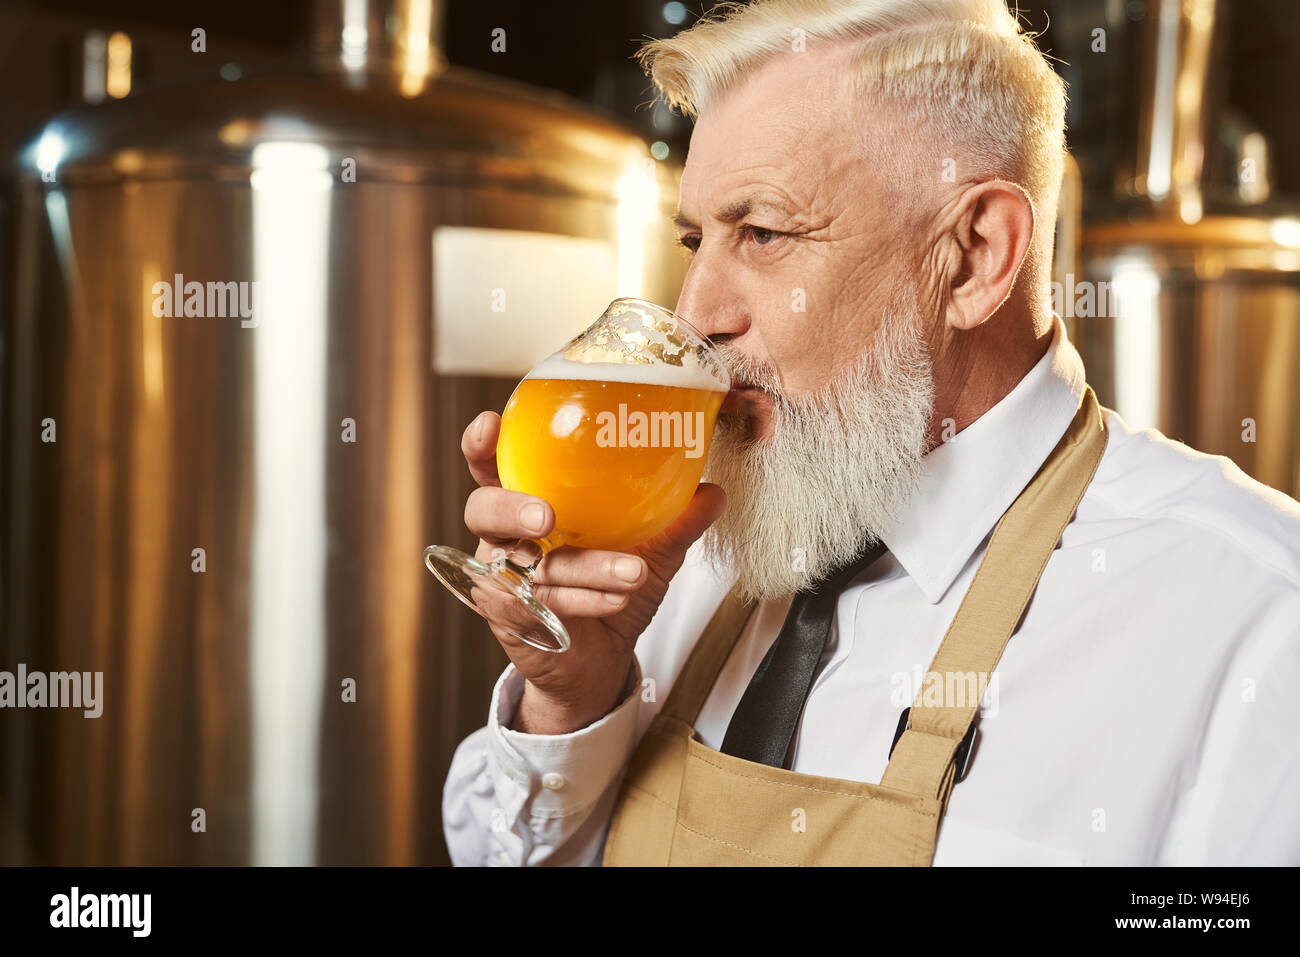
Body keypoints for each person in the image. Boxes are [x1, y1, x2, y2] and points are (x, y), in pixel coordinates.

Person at [442, 0, 1300, 865]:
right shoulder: (680, 539)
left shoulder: (1261, 621)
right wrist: (572, 704)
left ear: (972, 257)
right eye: (696, 238)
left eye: (764, 232)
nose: (694, 314)